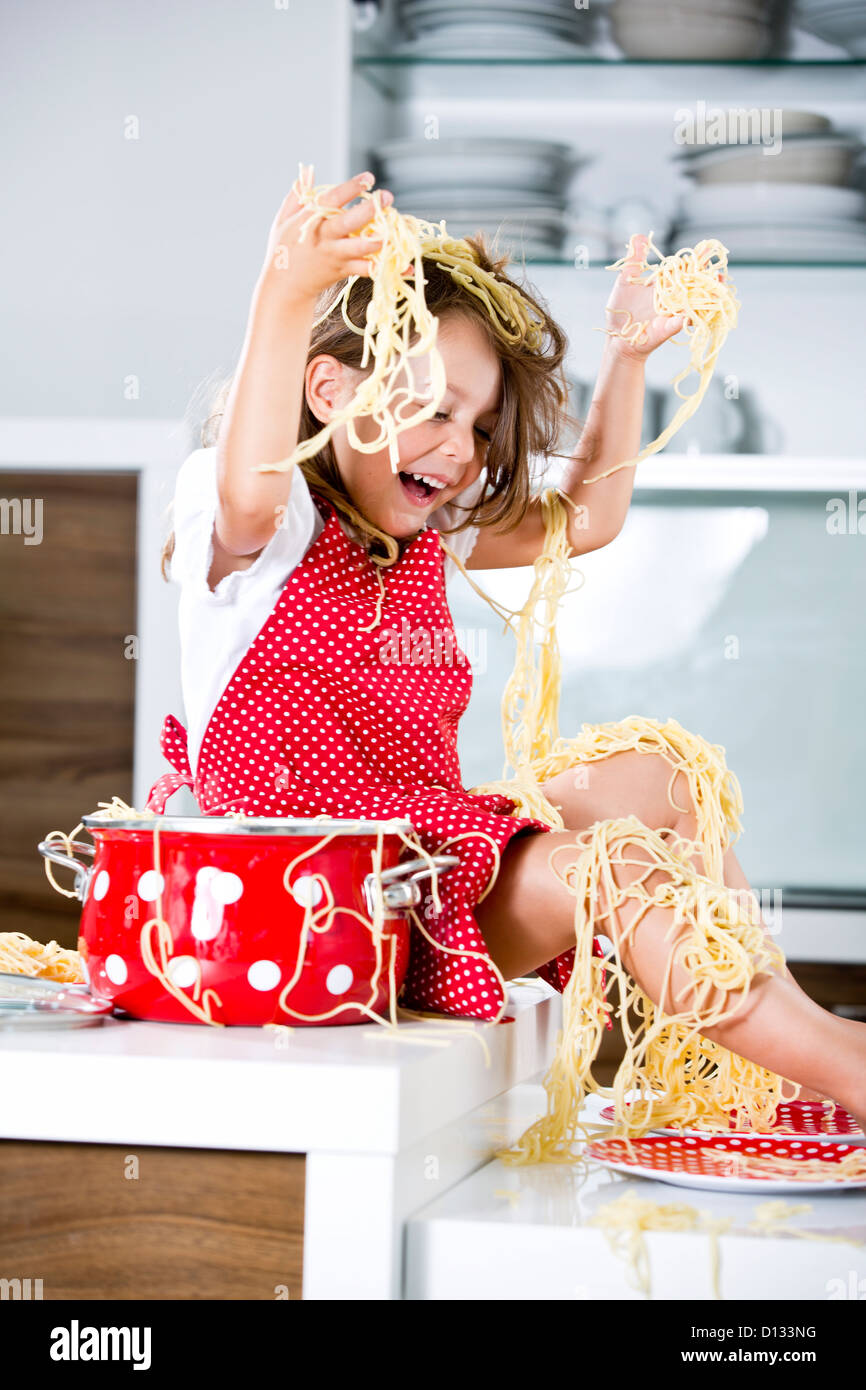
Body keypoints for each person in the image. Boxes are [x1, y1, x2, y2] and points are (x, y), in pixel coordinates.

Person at [150, 171, 866, 1129]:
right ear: (330, 390)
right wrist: (283, 297)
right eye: (434, 409)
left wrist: (626, 356)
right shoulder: (261, 526)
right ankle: (846, 1070)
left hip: (416, 866)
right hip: (310, 909)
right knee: (607, 867)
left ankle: (781, 1055)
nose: (459, 451)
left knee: (664, 779)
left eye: (481, 427)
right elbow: (249, 493)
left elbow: (588, 517)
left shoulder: (423, 532)